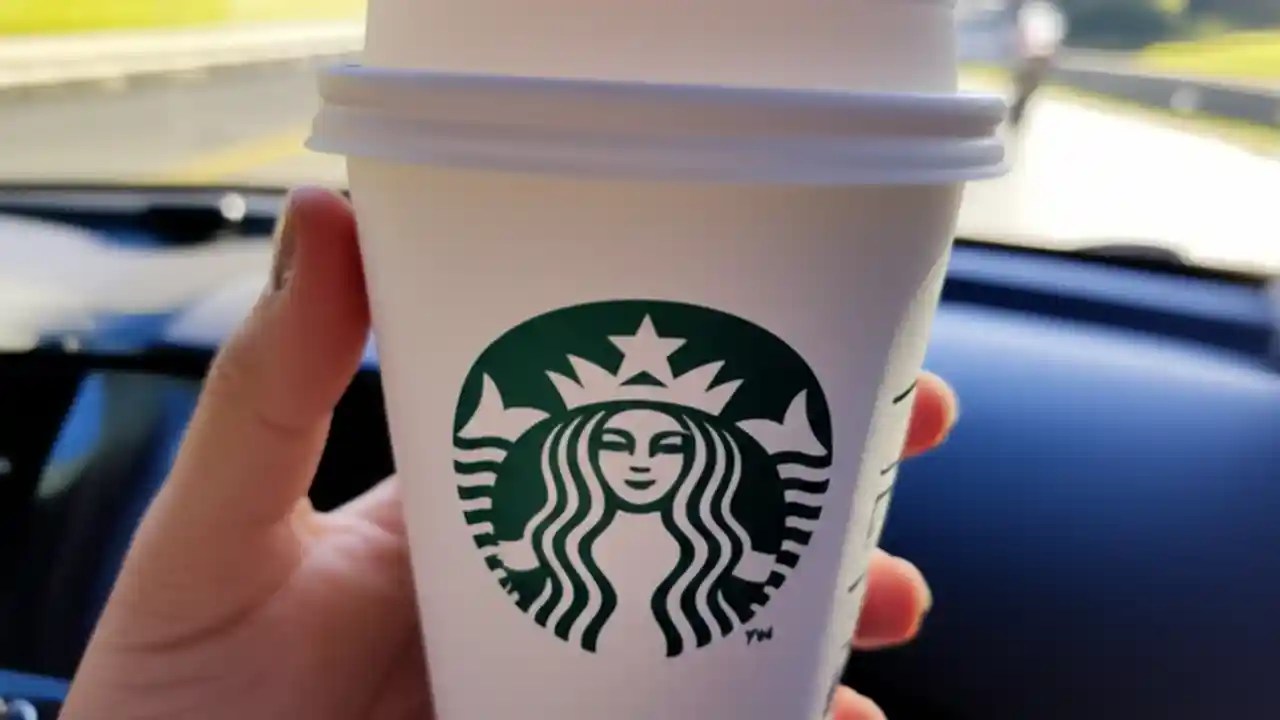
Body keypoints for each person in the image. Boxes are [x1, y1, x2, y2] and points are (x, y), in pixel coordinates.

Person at [59, 189, 961, 720]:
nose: (640, 460)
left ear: (706, 460)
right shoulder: (556, 559)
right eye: (616, 438)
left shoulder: (717, 561)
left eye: (666, 441)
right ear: (577, 453)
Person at [1008, 0, 1067, 129]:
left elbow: (1053, 36)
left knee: (1029, 89)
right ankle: (1016, 114)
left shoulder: (1046, 11)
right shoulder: (1034, 11)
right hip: (1032, 56)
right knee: (1024, 88)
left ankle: (1017, 113)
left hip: (1039, 56)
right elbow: (1024, 34)